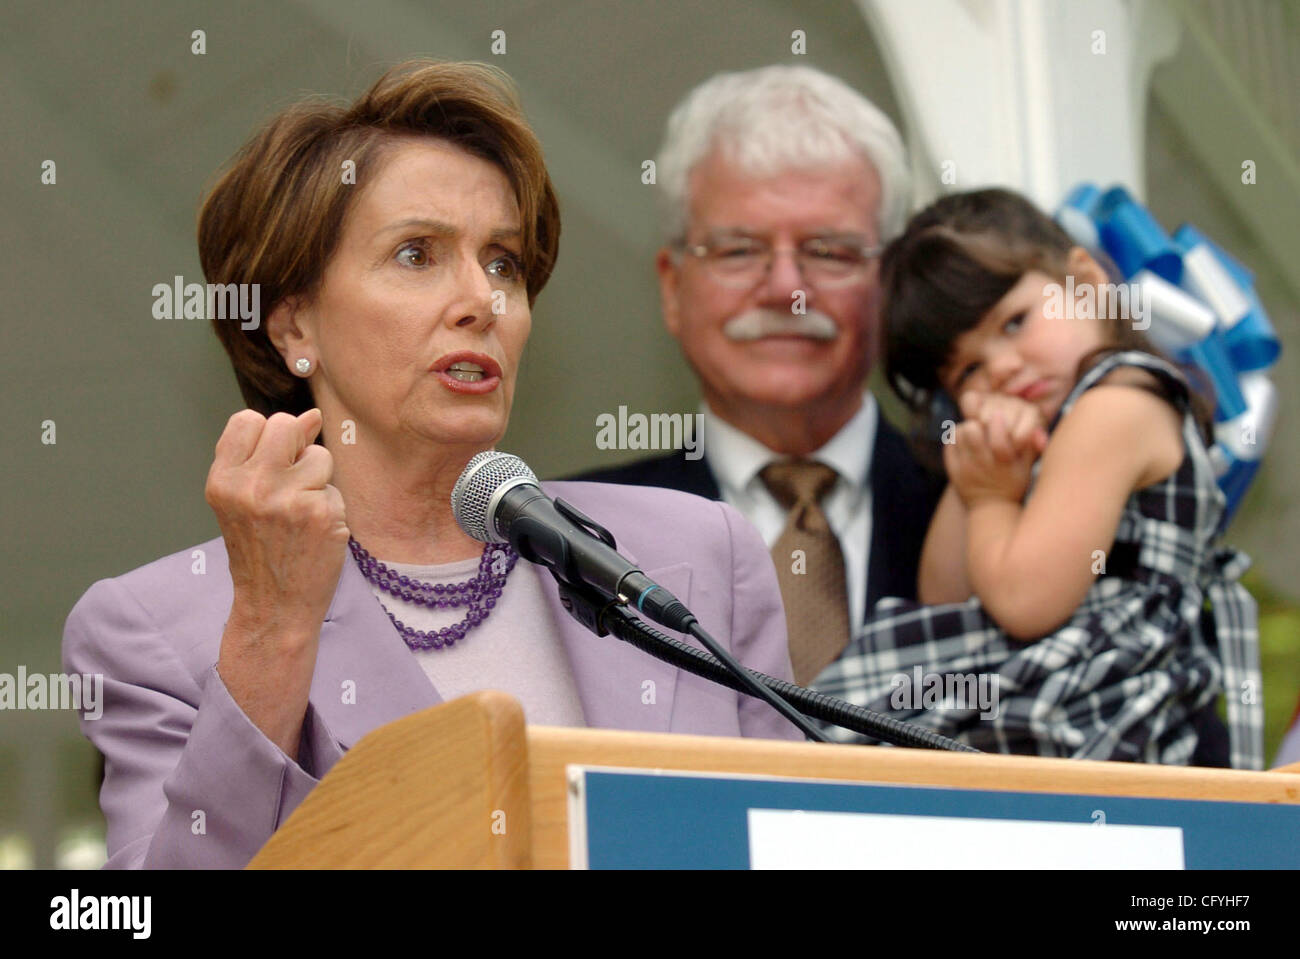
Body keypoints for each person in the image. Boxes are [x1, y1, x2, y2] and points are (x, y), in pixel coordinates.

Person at [62, 60, 801, 870]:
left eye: (503, 263)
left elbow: (790, 837)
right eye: (417, 254)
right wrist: (273, 632)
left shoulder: (700, 555)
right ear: (292, 325)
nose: (480, 301)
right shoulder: (159, 632)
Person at [814, 188, 1263, 768]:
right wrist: (976, 481)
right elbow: (944, 604)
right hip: (1054, 706)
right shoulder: (1046, 435)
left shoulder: (1115, 405)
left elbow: (1025, 601)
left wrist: (995, 497)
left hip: (1106, 711)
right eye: (968, 370)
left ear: (1086, 281)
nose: (1000, 368)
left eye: (1015, 322)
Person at [574, 66, 944, 688]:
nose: (785, 289)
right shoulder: (576, 536)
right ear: (672, 286)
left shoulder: (991, 517)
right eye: (738, 249)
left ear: (889, 284)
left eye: (829, 251)